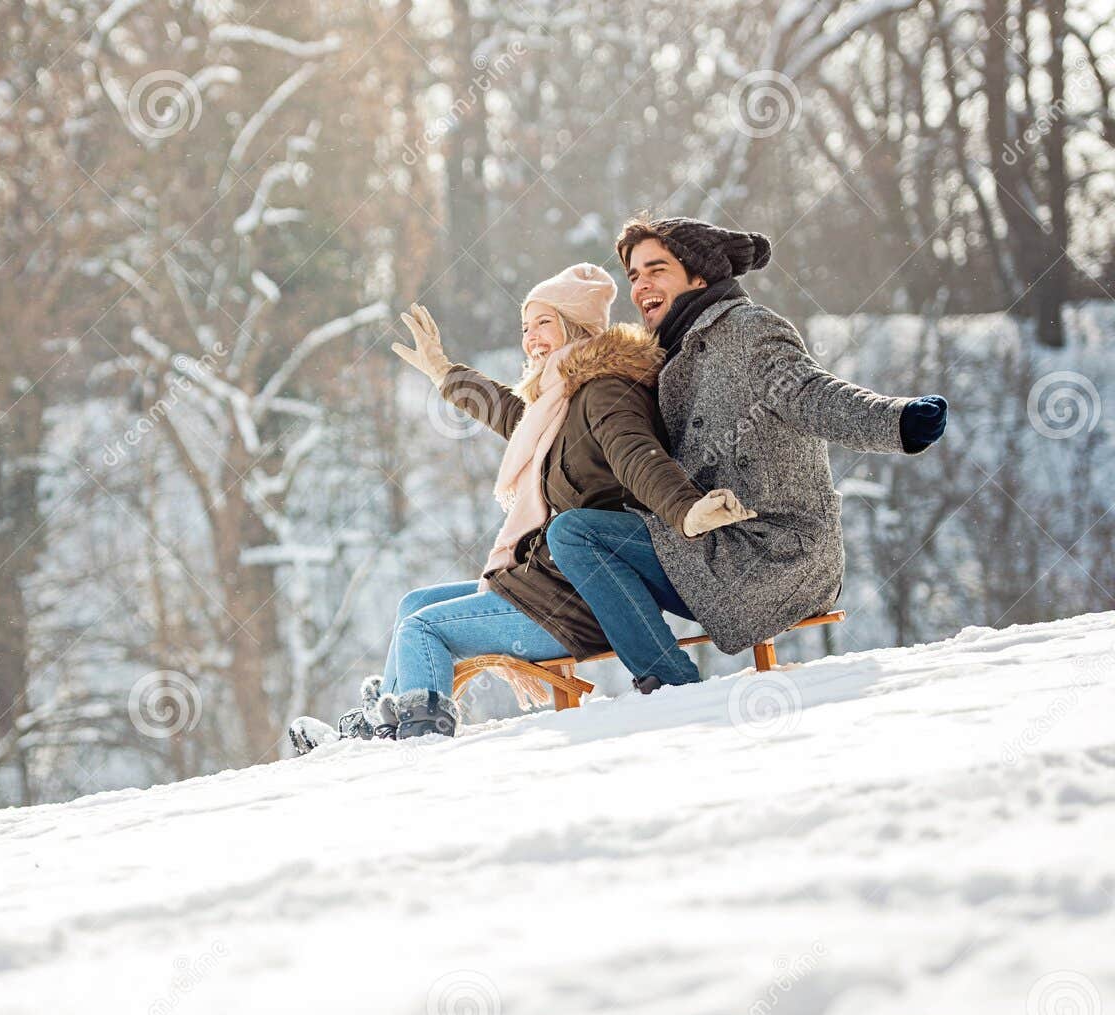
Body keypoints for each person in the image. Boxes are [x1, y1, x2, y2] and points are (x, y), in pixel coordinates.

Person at [288, 263, 754, 754]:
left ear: (576, 326)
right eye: (525, 326)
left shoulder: (606, 391)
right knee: (413, 605)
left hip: (579, 601)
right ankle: (379, 727)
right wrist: (446, 374)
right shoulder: (562, 400)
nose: (531, 337)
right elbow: (517, 418)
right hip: (550, 584)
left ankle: (418, 742)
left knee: (422, 629)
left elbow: (638, 457)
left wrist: (685, 510)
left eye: (544, 323)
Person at [543, 217, 950, 692]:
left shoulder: (746, 329)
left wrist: (896, 420)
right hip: (715, 548)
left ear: (698, 276)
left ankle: (670, 689)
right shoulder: (667, 352)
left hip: (773, 552)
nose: (641, 285)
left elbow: (811, 394)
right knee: (573, 535)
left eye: (657, 270)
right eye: (634, 275)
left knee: (575, 535)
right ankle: (658, 681)